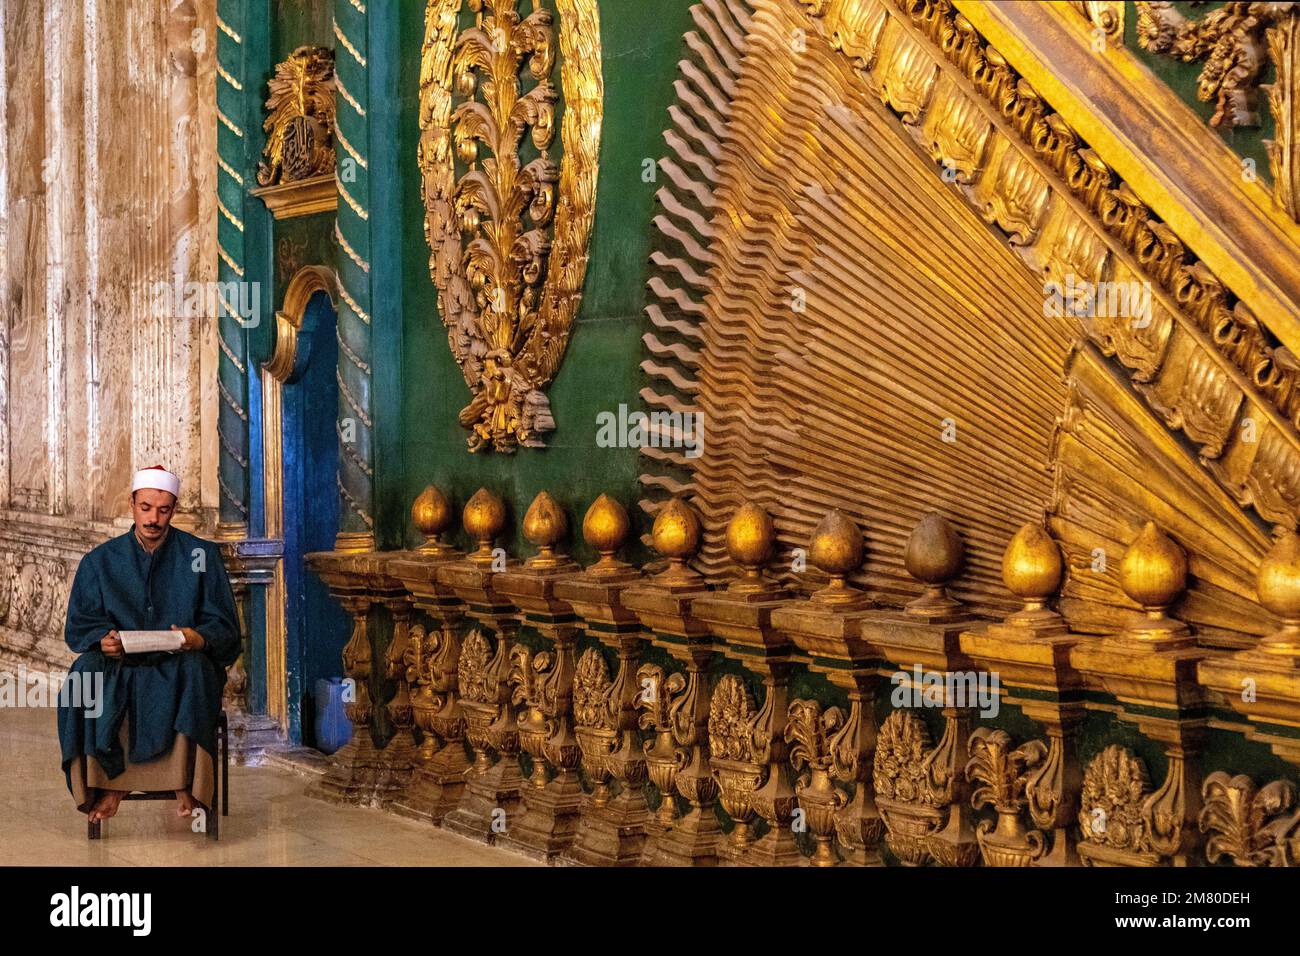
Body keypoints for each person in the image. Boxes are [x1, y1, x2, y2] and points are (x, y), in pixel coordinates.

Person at [57, 466, 241, 824]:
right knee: (84, 674)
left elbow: (226, 629)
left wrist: (196, 638)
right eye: (145, 508)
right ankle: (108, 786)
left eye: (163, 509)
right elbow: (80, 625)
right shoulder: (100, 561)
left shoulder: (200, 556)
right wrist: (103, 640)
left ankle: (186, 785)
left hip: (178, 663)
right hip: (120, 665)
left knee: (198, 670)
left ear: (173, 509)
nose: (153, 519)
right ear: (131, 504)